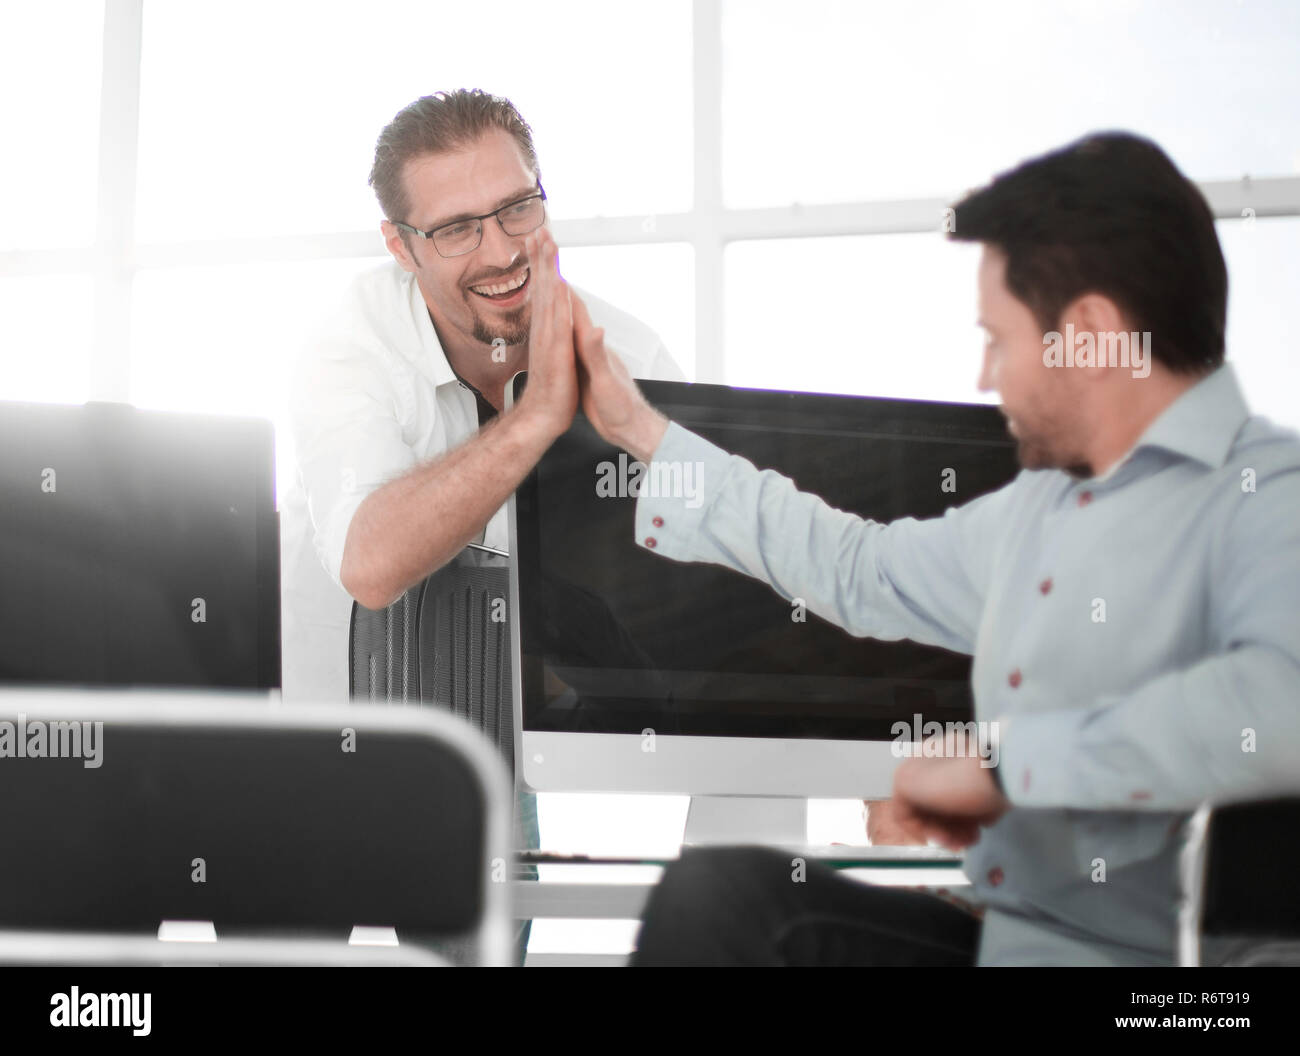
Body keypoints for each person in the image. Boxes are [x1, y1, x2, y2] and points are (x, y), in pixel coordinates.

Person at [554, 131, 1300, 966]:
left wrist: (1003, 768)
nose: (986, 377)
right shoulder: (1037, 516)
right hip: (1015, 941)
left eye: (999, 338)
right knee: (724, 900)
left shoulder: (1271, 497)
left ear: (1087, 333)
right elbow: (855, 568)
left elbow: (1275, 708)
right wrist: (644, 432)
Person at [278, 89, 685, 963]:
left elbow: (692, 585)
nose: (500, 252)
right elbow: (372, 563)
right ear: (400, 246)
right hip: (311, 731)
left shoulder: (633, 356)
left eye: (517, 209)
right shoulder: (348, 346)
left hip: (485, 729)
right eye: (457, 228)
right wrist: (536, 416)